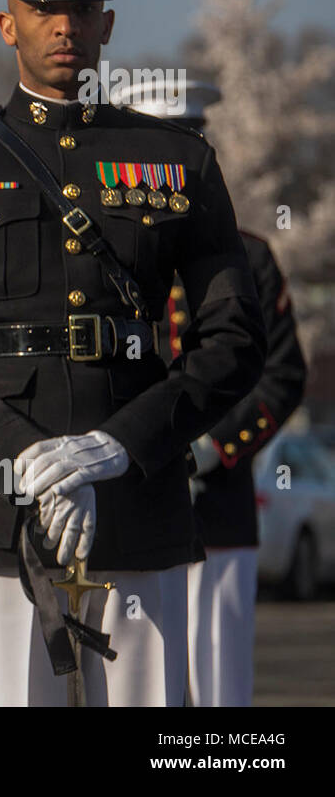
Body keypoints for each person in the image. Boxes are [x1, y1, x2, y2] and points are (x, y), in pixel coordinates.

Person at [0, 0, 266, 706]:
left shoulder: (177, 161)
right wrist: (24, 454)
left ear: (108, 23)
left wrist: (117, 447)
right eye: (44, 7)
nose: (65, 26)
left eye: (84, 8)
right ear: (6, 21)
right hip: (2, 499)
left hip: (138, 496)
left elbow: (235, 337)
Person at [110, 76, 307, 706]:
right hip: (131, 506)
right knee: (137, 686)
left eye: (191, 139)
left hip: (217, 511)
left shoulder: (249, 259)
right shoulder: (103, 262)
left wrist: (213, 448)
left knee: (219, 694)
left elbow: (281, 376)